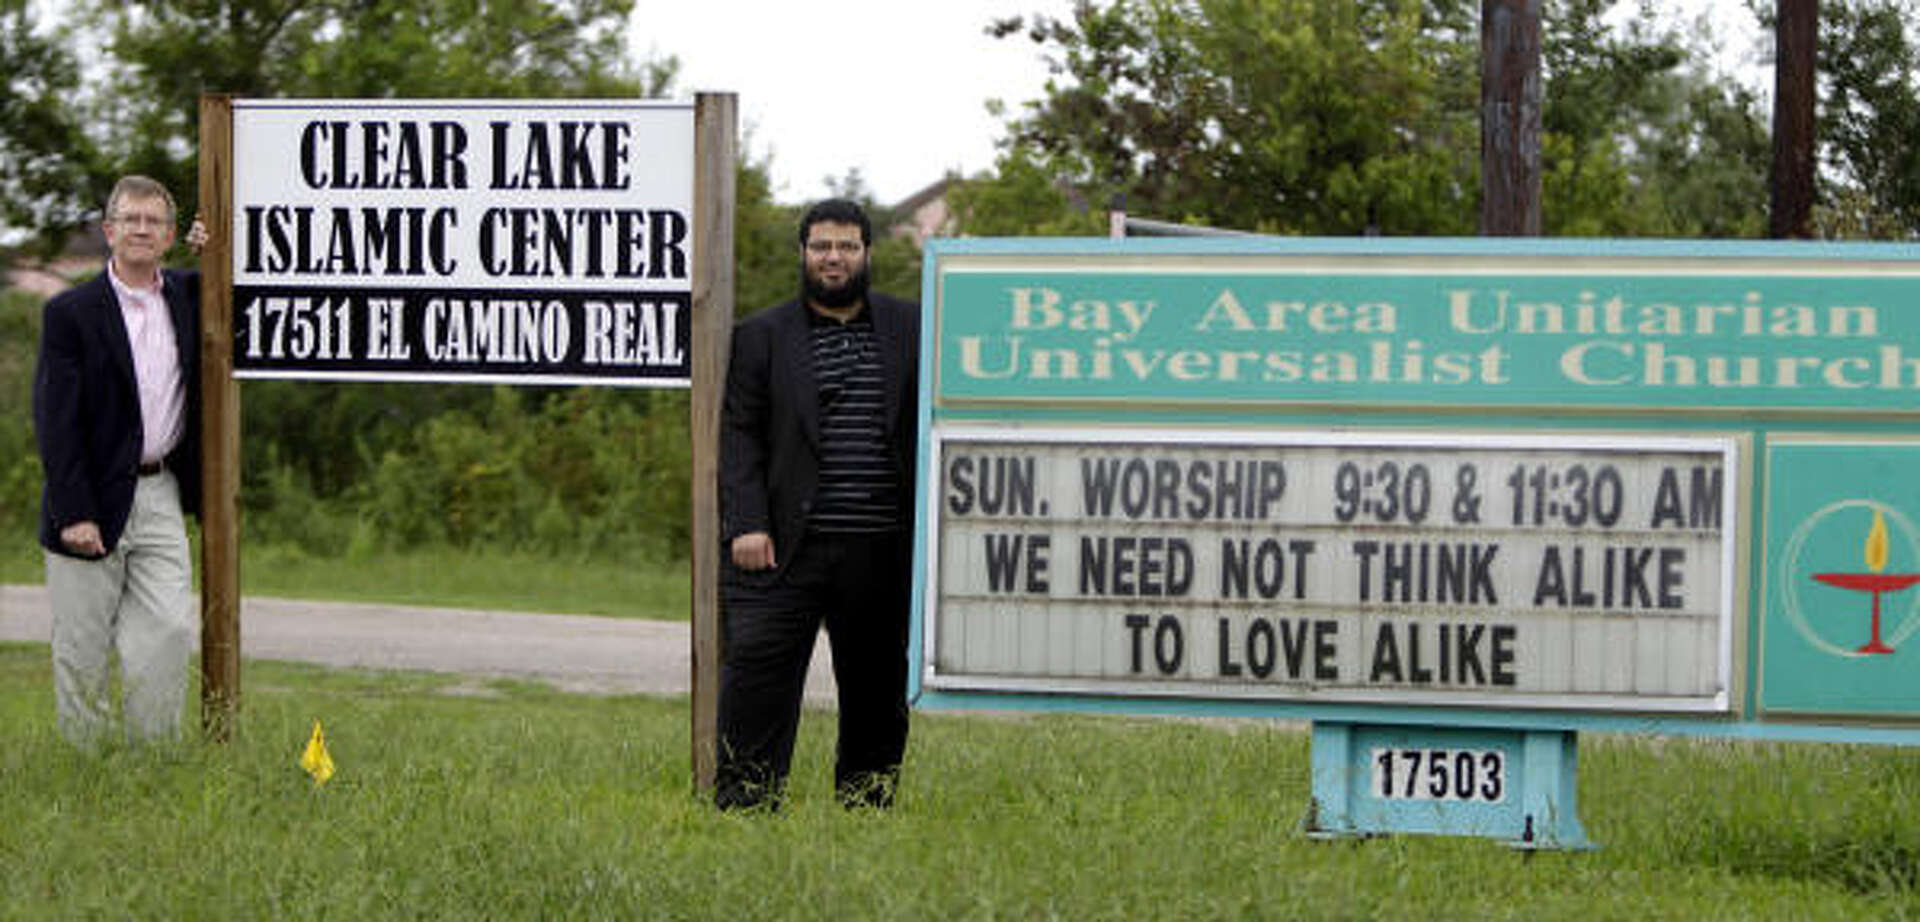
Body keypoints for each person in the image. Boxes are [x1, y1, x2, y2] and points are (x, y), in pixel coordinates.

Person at [716, 199, 920, 810]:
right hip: (780, 548)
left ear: (867, 253)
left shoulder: (914, 326)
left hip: (882, 548)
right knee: (756, 680)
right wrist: (747, 522)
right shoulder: (760, 337)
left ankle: (866, 809)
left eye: (848, 246)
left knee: (878, 692)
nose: (834, 257)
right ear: (803, 253)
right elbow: (739, 433)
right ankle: (745, 807)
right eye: (822, 246)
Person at [34, 175, 203, 747]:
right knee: (82, 644)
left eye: (153, 221)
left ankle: (151, 760)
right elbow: (56, 423)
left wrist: (215, 246)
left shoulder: (190, 295)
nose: (141, 229)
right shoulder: (70, 313)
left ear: (170, 236)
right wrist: (73, 511)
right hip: (89, 498)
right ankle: (85, 765)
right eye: (130, 219)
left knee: (169, 628)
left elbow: (236, 280)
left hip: (161, 493)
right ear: (109, 231)